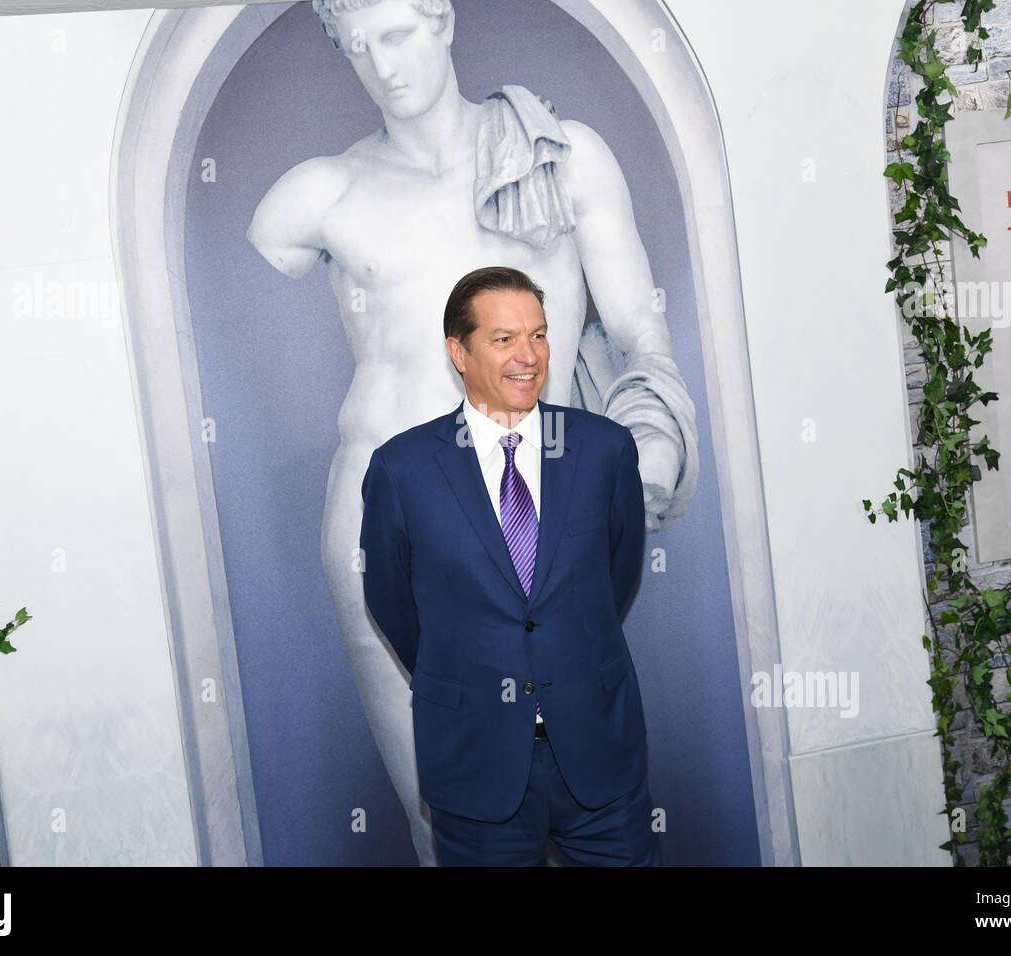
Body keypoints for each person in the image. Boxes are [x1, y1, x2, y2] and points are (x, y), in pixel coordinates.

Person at [247, 0, 694, 864]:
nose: (383, 64)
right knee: (446, 820)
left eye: (399, 34)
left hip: (537, 509)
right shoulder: (318, 195)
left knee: (584, 795)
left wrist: (641, 465)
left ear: (442, 21)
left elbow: (642, 338)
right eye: (358, 46)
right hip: (385, 524)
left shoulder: (559, 159)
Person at [359, 266, 660, 866]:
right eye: (504, 339)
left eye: (539, 335)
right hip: (475, 765)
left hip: (599, 755)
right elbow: (393, 602)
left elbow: (616, 577)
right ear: (458, 351)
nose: (529, 356)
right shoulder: (403, 470)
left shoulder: (605, 450)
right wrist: (468, 664)